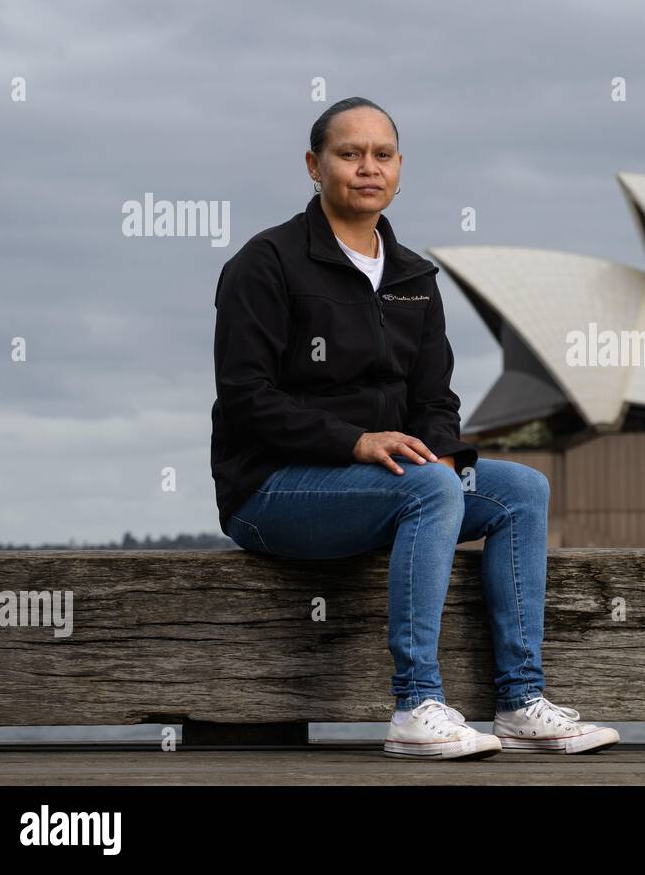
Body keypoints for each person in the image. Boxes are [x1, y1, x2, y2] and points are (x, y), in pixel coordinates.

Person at [210, 96, 619, 759]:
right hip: (270, 490)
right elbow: (245, 399)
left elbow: (435, 401)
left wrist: (445, 458)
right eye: (349, 154)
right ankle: (415, 706)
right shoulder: (266, 265)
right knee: (430, 490)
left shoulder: (413, 278)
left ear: (400, 168)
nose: (367, 167)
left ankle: (519, 702)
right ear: (315, 166)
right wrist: (354, 442)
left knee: (521, 490)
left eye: (382, 154)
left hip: (383, 481)